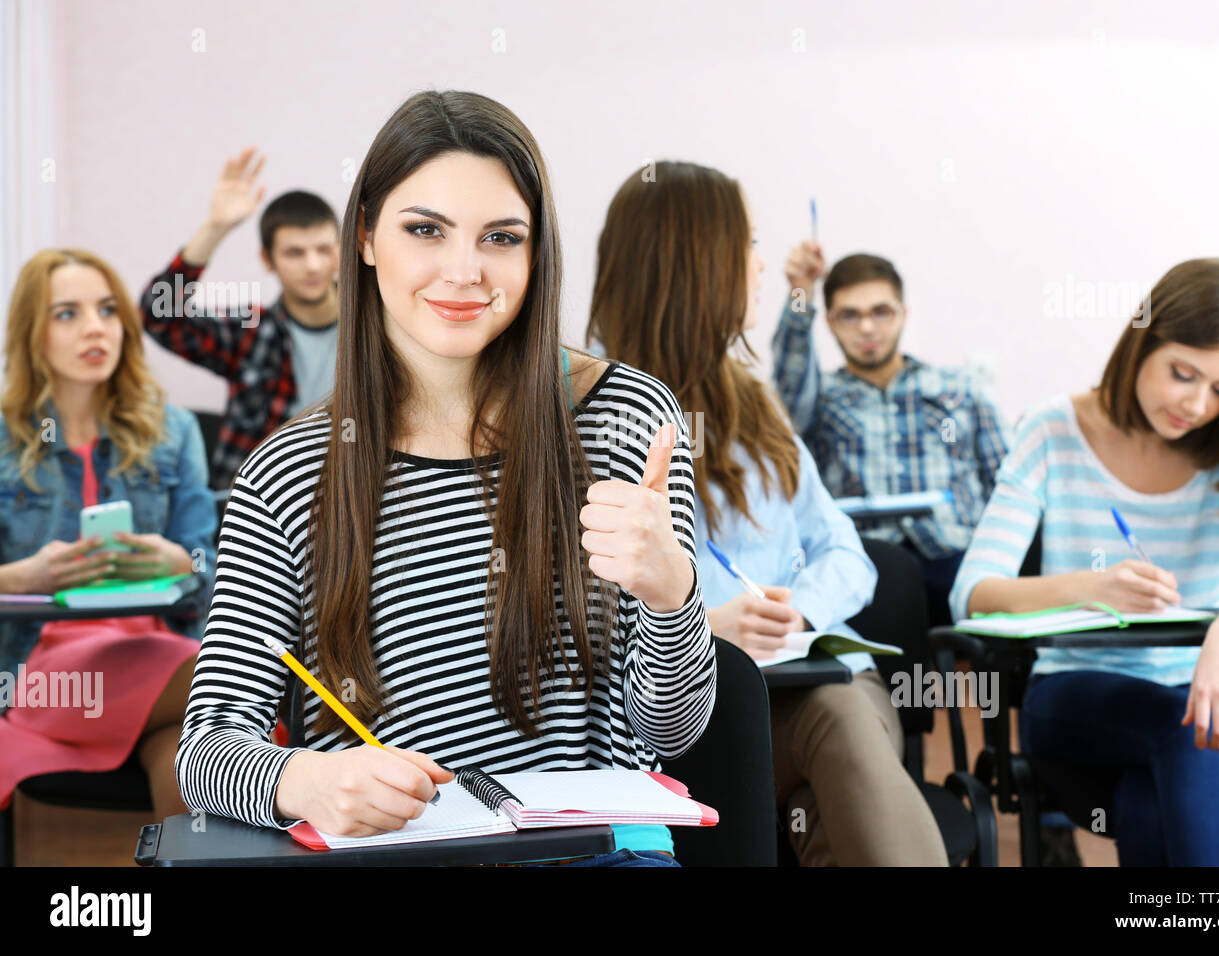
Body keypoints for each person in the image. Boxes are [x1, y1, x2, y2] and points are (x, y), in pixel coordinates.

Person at [174, 90, 716, 868]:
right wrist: (307, 777)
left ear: (536, 255)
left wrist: (672, 595)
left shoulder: (627, 417)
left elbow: (673, 733)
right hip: (392, 856)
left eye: (501, 237)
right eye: (425, 229)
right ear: (364, 238)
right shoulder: (288, 473)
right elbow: (207, 750)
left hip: (596, 857)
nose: (464, 271)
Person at [588, 160, 948, 866]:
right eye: (747, 246)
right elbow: (578, 613)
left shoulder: (755, 403)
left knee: (837, 732)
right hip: (699, 716)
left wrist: (803, 612)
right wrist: (700, 622)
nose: (760, 268)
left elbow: (845, 549)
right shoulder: (596, 413)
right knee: (829, 776)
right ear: (696, 262)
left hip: (820, 678)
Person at [949, 258, 1219, 866]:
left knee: (1153, 789)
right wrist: (1091, 588)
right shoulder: (1053, 429)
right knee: (1181, 735)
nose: (1197, 405)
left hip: (1212, 693)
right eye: (1182, 373)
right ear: (1141, 342)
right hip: (1077, 695)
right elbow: (972, 592)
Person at [0, 249, 216, 821]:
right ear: (31, 333)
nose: (95, 327)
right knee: (218, 683)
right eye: (67, 314)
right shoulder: (3, 437)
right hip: (43, 671)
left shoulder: (172, 429)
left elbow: (214, 570)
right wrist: (24, 577)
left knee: (190, 760)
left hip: (158, 653)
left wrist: (180, 563)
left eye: (106, 310)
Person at [774, 243, 1009, 626]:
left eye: (880, 312)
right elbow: (788, 389)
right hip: (868, 559)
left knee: (980, 608)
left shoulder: (962, 388)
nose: (867, 328)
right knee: (869, 583)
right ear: (830, 321)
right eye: (850, 315)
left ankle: (971, 681)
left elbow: (1008, 487)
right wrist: (801, 292)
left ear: (903, 314)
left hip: (957, 555)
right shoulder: (817, 401)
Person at [139, 150, 341, 490]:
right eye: (295, 252)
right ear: (267, 259)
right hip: (263, 509)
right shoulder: (251, 332)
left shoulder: (378, 327)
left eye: (324, 249)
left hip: (355, 504)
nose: (313, 266)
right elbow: (159, 315)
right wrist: (215, 228)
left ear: (342, 249)